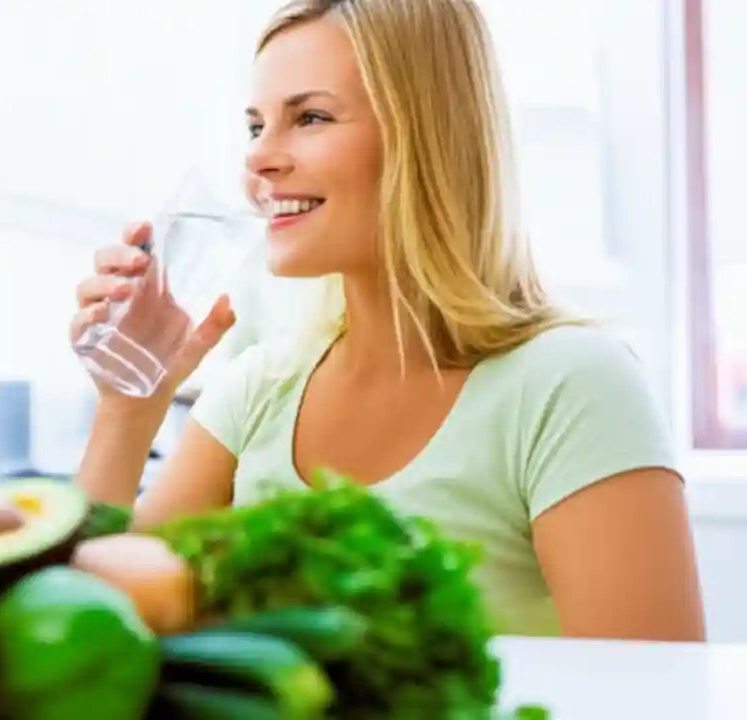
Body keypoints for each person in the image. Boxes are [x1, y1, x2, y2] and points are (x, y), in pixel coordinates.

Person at [69, 0, 706, 642]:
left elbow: (655, 694)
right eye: (256, 126)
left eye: (310, 117)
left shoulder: (571, 386)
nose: (260, 158)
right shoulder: (258, 390)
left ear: (425, 134)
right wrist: (128, 409)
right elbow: (89, 642)